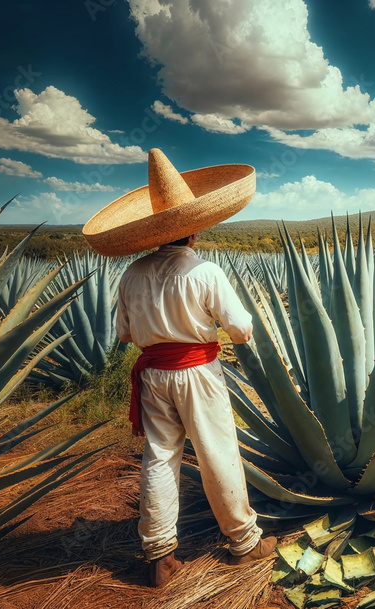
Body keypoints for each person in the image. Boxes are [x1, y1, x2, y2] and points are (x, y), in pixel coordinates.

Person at [83, 148, 275, 588]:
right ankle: (244, 543)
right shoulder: (206, 271)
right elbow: (242, 330)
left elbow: (126, 334)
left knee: (159, 457)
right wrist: (211, 327)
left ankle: (159, 556)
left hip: (153, 375)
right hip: (198, 374)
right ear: (195, 230)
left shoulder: (131, 274)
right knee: (217, 453)